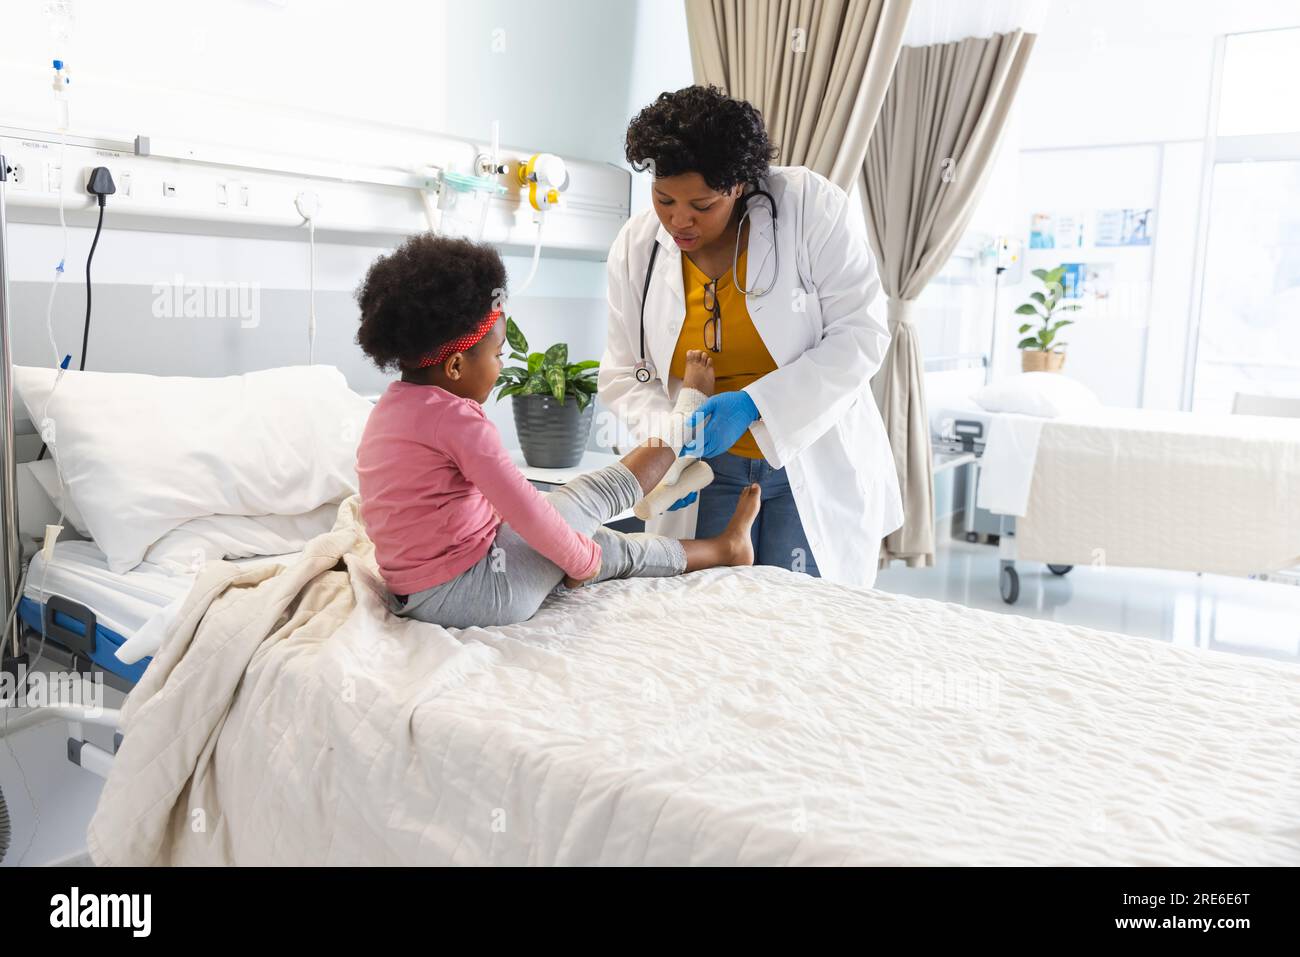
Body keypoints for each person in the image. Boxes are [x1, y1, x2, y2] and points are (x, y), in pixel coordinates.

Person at [353, 233, 760, 628]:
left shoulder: (388, 409)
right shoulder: (457, 420)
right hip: (475, 593)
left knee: (587, 539)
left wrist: (573, 551)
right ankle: (687, 416)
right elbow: (526, 509)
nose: (500, 366)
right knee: (586, 501)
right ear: (456, 366)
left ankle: (725, 547)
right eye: (497, 355)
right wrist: (582, 564)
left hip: (420, 594)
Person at [598, 84, 903, 587]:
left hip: (806, 458)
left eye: (702, 203)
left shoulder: (811, 208)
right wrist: (673, 439)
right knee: (709, 623)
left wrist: (755, 404)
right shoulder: (637, 249)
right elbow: (624, 373)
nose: (679, 220)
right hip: (705, 471)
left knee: (804, 618)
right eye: (664, 199)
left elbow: (860, 334)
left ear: (739, 185)